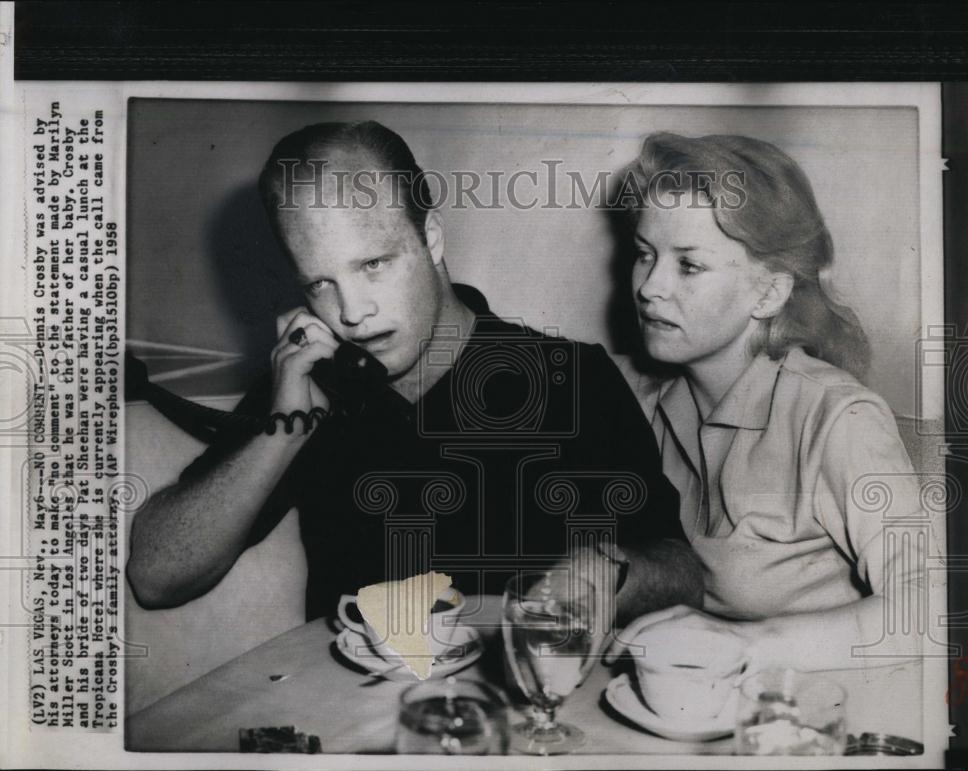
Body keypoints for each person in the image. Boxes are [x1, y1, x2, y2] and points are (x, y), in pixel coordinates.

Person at [126, 120, 703, 629]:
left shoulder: (571, 378)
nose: (350, 313)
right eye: (318, 284)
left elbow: (682, 575)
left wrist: (605, 573)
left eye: (373, 264)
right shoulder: (309, 386)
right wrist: (285, 427)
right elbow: (156, 578)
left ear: (430, 238)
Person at [606, 132, 923, 672]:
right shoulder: (650, 405)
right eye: (644, 255)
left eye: (689, 265)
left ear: (769, 292)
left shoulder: (837, 417)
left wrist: (749, 647)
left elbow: (934, 609)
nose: (649, 287)